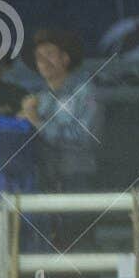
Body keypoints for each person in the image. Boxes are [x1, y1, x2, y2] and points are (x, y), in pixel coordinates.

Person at [19, 28, 102, 191]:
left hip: (78, 178)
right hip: (43, 180)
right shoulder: (38, 99)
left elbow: (85, 137)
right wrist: (21, 121)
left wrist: (37, 122)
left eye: (50, 54)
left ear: (65, 58)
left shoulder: (86, 92)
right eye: (39, 57)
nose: (44, 61)